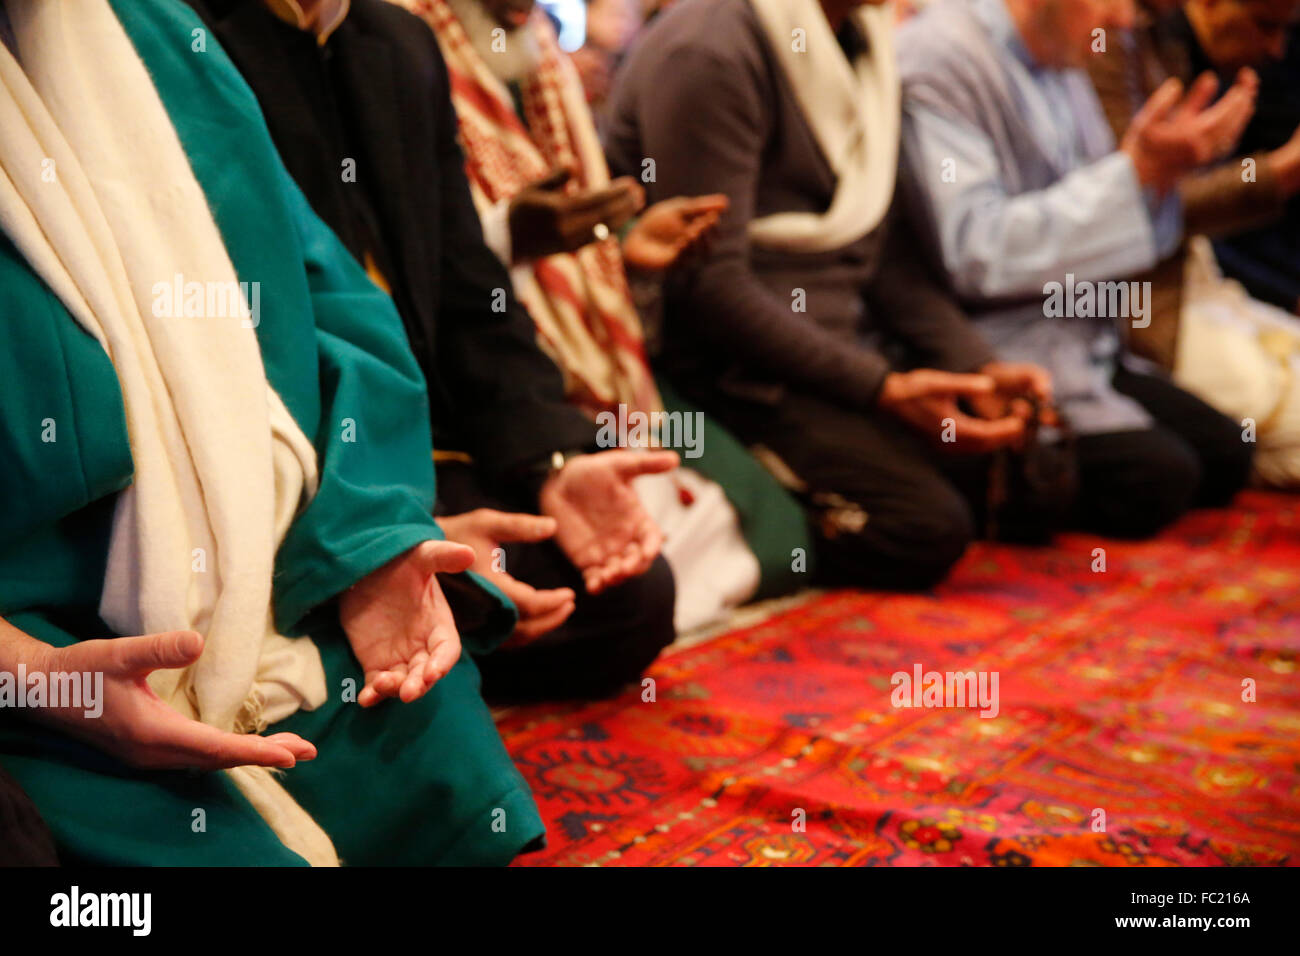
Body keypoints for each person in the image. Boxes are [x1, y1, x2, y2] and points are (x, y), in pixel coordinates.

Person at [0, 0, 541, 865]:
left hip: (279, 571)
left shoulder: (159, 32)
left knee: (445, 745)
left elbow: (340, 307)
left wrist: (373, 541)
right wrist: (34, 677)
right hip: (45, 644)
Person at [189, 0, 685, 698]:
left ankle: (441, 620)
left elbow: (469, 290)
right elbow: (240, 342)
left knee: (631, 599)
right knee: (443, 613)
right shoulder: (188, 37)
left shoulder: (395, 40)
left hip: (429, 444)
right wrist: (384, 535)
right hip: (297, 461)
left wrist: (553, 460)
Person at [605, 0, 1058, 591]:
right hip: (734, 375)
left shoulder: (864, 41)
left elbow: (886, 259)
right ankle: (757, 510)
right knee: (923, 528)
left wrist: (977, 366)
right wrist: (881, 389)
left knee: (1038, 476)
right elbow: (711, 291)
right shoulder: (709, 49)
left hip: (833, 356)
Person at [395, 0, 810, 628]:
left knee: (781, 538)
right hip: (465, 395)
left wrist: (626, 251)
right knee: (629, 599)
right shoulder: (404, 42)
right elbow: (415, 267)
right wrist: (511, 237)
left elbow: (568, 232)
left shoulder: (538, 51)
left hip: (596, 372)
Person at [898, 0, 1254, 538]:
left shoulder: (1061, 54)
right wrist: (1133, 176)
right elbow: (974, 252)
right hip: (990, 344)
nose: (1123, 20)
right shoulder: (940, 56)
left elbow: (1115, 225)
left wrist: (1156, 177)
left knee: (1228, 453)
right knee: (1157, 480)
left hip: (1079, 338)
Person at [1087, 0, 1300, 487]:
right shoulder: (1102, 38)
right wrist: (1283, 170)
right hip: (1138, 304)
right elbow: (1124, 213)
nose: (1276, 49)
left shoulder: (1158, 36)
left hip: (1195, 279)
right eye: (1265, 26)